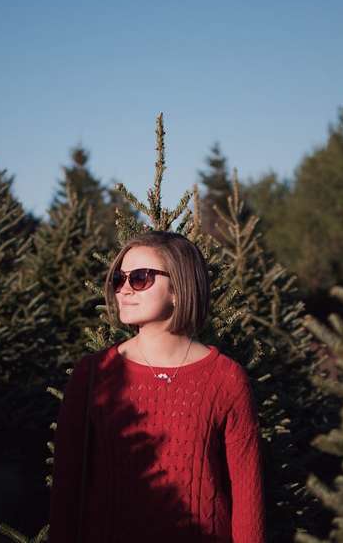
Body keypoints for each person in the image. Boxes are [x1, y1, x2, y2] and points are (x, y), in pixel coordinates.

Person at [49, 230, 265, 543]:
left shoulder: (226, 379)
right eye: (119, 280)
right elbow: (66, 490)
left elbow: (248, 499)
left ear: (178, 287)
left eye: (139, 278)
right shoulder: (94, 375)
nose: (124, 290)